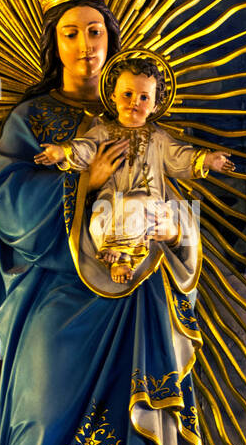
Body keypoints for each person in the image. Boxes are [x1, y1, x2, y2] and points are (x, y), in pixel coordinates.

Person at [0, 0, 206, 445]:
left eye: (96, 32)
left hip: (135, 300)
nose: (86, 43)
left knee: (126, 430)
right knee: (40, 416)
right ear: (53, 44)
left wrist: (170, 225)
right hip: (56, 299)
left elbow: (180, 205)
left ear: (113, 44)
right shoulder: (35, 119)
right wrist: (79, 181)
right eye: (71, 32)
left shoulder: (151, 132)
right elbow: (9, 204)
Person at [34, 54, 233, 282]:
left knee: (135, 205)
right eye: (127, 94)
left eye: (144, 97)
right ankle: (113, 250)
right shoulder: (102, 133)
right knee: (98, 223)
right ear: (113, 96)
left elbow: (181, 156)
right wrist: (61, 152)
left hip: (148, 204)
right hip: (109, 203)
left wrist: (207, 160)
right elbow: (84, 149)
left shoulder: (158, 138)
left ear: (155, 105)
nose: (134, 101)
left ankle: (124, 258)